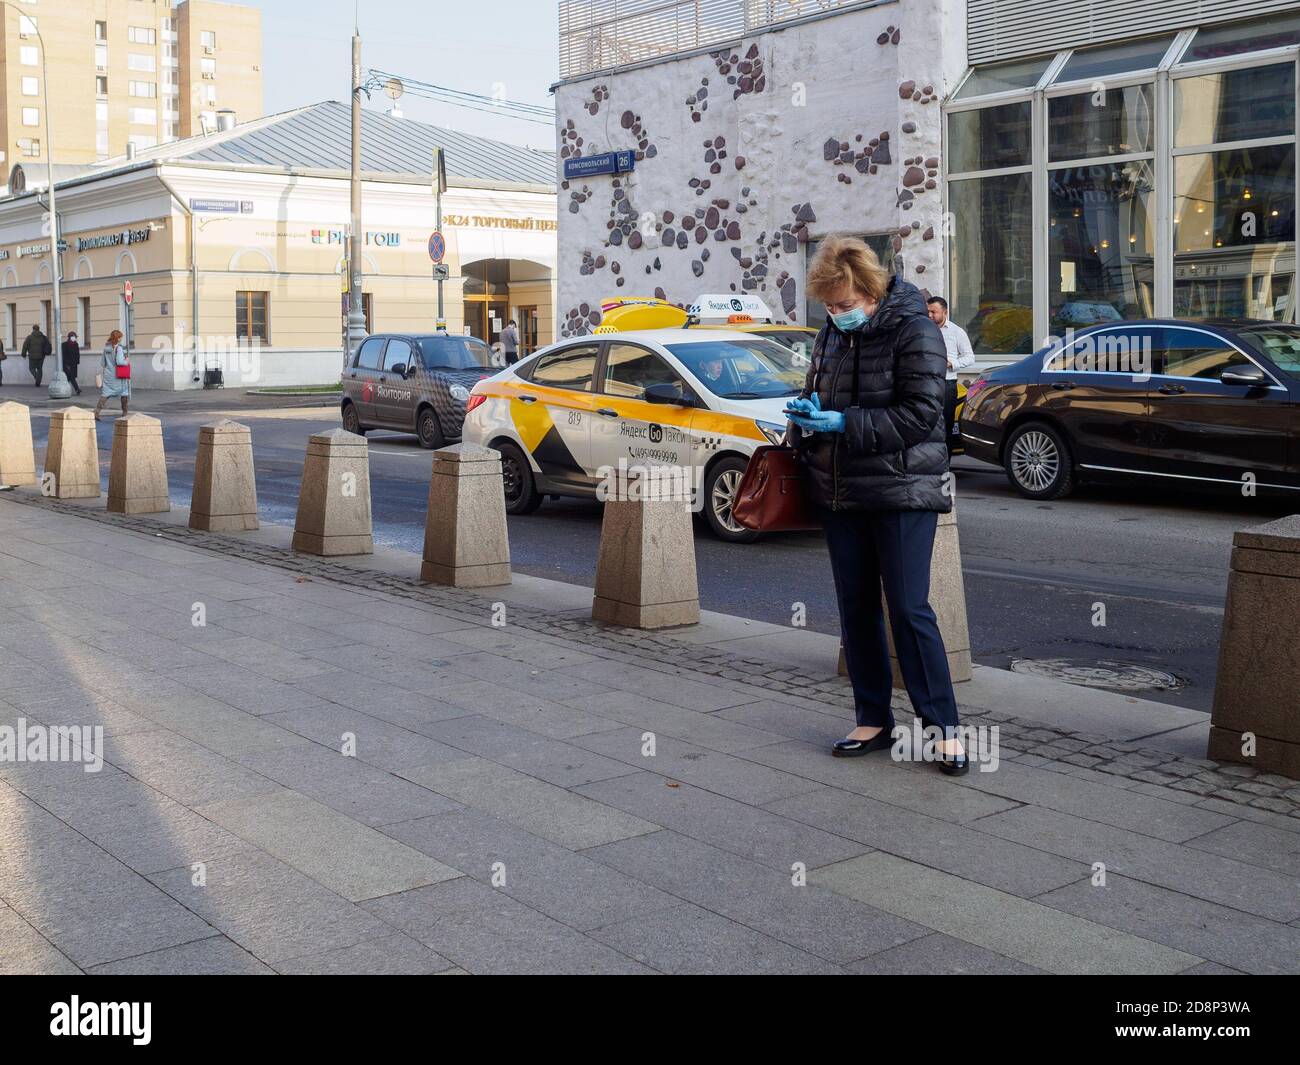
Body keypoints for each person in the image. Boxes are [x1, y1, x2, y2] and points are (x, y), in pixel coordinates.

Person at [786, 235, 967, 775]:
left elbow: (921, 416)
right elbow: (822, 386)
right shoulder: (833, 333)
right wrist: (811, 410)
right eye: (829, 308)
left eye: (844, 306)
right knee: (855, 606)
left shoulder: (916, 331)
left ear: (870, 291)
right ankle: (873, 718)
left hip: (902, 488)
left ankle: (944, 728)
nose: (836, 316)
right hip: (842, 488)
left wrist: (845, 423)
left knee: (910, 608)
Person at [926, 296, 975, 454]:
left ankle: (945, 467)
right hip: (926, 384)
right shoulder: (924, 330)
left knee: (945, 426)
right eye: (928, 312)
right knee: (927, 424)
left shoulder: (956, 332)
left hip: (947, 384)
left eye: (934, 312)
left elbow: (970, 357)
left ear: (945, 312)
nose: (930, 315)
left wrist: (951, 363)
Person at [94, 330, 130, 420]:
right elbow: (120, 362)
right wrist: (127, 361)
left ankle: (96, 412)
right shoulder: (119, 349)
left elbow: (102, 363)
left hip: (108, 375)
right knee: (124, 392)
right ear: (117, 338)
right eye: (120, 337)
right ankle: (124, 413)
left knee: (106, 393)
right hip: (118, 376)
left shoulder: (106, 348)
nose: (121, 339)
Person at [61, 331, 82, 396]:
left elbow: (77, 354)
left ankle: (64, 389)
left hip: (74, 364)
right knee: (71, 377)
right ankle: (77, 389)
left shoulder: (76, 344)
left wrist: (77, 362)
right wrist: (66, 364)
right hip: (67, 364)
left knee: (69, 378)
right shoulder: (64, 345)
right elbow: (63, 355)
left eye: (75, 337)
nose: (74, 338)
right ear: (70, 337)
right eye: (73, 337)